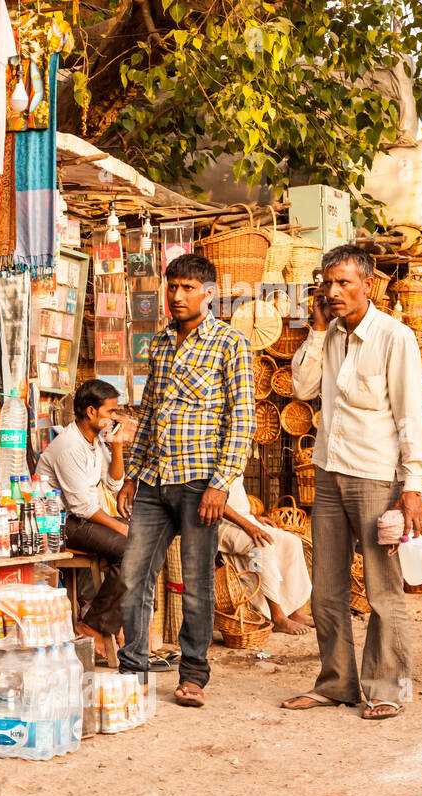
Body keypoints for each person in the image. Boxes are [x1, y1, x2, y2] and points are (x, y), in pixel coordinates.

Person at [283, 245, 422, 720]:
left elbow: (412, 414)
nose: (333, 291)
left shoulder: (395, 337)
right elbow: (302, 389)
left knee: (382, 590)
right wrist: (318, 330)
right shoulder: (329, 336)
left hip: (376, 477)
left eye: (344, 282)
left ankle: (386, 685)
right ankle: (336, 683)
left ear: (368, 285)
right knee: (326, 589)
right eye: (328, 283)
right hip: (329, 471)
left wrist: (412, 485)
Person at [116, 253, 255, 707]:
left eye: (187, 288)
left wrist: (221, 483)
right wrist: (132, 476)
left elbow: (242, 419)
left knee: (197, 583)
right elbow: (149, 413)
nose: (176, 296)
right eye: (171, 287)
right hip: (153, 481)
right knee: (134, 576)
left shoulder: (230, 344)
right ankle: (132, 669)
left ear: (209, 293)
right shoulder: (157, 344)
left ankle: (193, 673)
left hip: (200, 483)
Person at [36, 378, 139, 659]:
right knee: (132, 548)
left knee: (147, 542)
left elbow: (115, 484)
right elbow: (82, 507)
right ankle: (92, 626)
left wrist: (117, 446)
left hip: (83, 519)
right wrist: (120, 527)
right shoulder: (69, 446)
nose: (114, 417)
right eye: (111, 412)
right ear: (91, 412)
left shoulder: (95, 441)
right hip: (58, 524)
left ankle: (112, 623)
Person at [217, 476, 314, 634]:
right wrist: (249, 526)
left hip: (243, 519)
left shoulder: (235, 454)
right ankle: (278, 617)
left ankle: (295, 611)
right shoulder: (208, 455)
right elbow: (214, 500)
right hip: (218, 523)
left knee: (292, 542)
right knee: (262, 545)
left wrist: (252, 518)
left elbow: (233, 495)